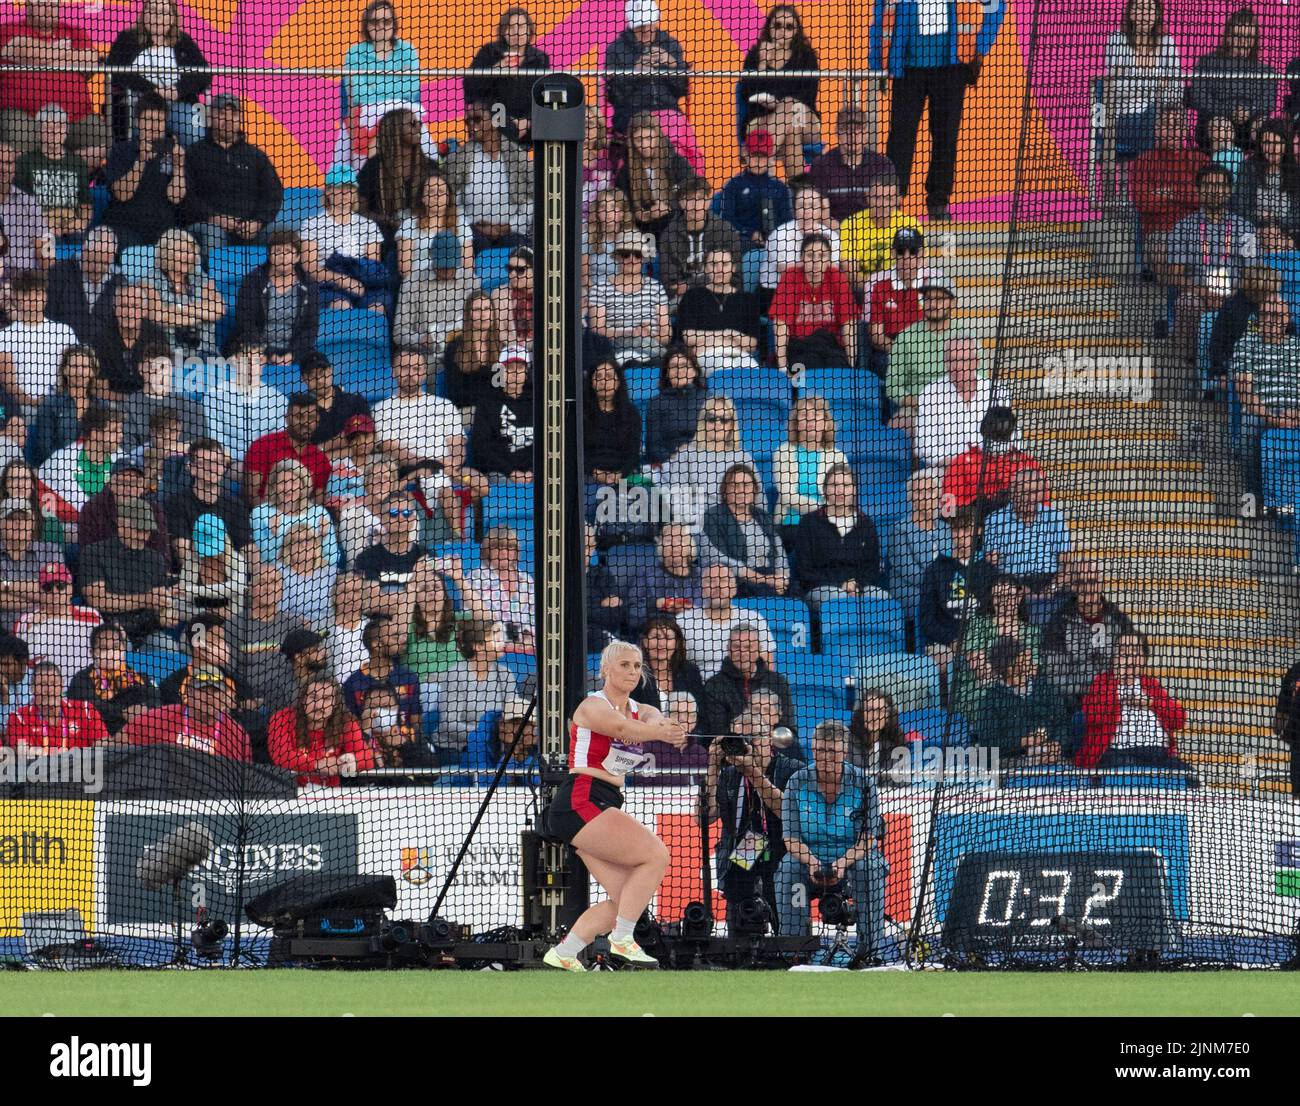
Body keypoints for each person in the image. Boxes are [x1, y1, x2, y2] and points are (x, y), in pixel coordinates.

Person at [539, 638, 688, 971]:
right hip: (581, 797)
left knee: (625, 900)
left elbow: (652, 720)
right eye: (624, 665)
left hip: (604, 800)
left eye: (637, 666)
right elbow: (620, 728)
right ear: (605, 669)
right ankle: (622, 939)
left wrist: (669, 730)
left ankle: (565, 953)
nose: (632, 672)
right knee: (656, 855)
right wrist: (661, 734)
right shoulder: (592, 706)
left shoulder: (641, 708)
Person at [869, 0, 1004, 222]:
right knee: (900, 136)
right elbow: (879, 14)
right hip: (906, 68)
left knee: (946, 136)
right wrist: (877, 64)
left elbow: (996, 6)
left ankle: (938, 201)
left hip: (951, 68)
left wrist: (980, 49)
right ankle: (892, 200)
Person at [776, 719, 888, 961]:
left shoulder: (864, 783)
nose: (825, 756)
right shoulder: (796, 782)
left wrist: (842, 862)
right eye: (819, 750)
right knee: (788, 868)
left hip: (851, 857)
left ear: (844, 751)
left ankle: (871, 951)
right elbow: (791, 839)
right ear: (812, 748)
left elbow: (868, 839)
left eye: (832, 751)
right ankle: (794, 950)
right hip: (809, 857)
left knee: (867, 867)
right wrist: (813, 861)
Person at [705, 708, 802, 933]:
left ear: (769, 739)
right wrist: (712, 766)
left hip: (785, 845)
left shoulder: (792, 770)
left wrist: (752, 772)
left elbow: (786, 811)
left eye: (754, 738)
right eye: (740, 739)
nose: (748, 744)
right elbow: (706, 817)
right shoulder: (730, 774)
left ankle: (787, 947)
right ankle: (741, 947)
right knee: (737, 883)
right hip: (749, 844)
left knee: (777, 891)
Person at [1167, 163, 1257, 370]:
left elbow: (1252, 270)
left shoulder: (1245, 228)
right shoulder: (1183, 227)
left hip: (1237, 295)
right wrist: (1205, 292)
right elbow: (1175, 275)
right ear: (1198, 189)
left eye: (1221, 186)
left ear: (1229, 191)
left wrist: (1233, 294)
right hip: (1197, 293)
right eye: (1208, 185)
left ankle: (1233, 363)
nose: (1215, 191)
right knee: (1188, 303)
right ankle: (1190, 365)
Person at [0, 0, 108, 158]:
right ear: (28, 5)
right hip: (24, 117)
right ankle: (29, 180)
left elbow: (90, 61)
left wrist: (46, 57)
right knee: (17, 133)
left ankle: (73, 176)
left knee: (102, 139)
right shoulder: (8, 30)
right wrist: (66, 56)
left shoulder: (75, 32)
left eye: (53, 5)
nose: (48, 9)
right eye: (42, 4)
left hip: (75, 118)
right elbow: (24, 50)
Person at [604, 0, 700, 174]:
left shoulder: (670, 45)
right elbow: (614, 96)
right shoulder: (615, 50)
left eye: (650, 24)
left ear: (656, 20)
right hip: (631, 112)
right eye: (641, 27)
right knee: (647, 131)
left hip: (668, 111)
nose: (647, 31)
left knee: (676, 126)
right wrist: (635, 73)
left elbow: (682, 90)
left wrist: (674, 67)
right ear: (631, 26)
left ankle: (684, 184)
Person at [182, 94, 284, 254]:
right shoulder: (195, 153)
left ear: (240, 118)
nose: (228, 119)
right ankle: (213, 279)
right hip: (209, 225)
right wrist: (213, 218)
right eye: (222, 113)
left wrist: (258, 222)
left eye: (233, 114)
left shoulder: (255, 155)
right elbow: (187, 197)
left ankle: (263, 280)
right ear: (210, 117)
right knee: (213, 233)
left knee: (282, 236)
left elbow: (273, 195)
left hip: (249, 228)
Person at [105, 0, 212, 147]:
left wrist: (177, 90)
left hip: (179, 104)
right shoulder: (127, 39)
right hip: (139, 106)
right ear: (144, 15)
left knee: (195, 135)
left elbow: (204, 74)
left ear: (173, 18)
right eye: (152, 10)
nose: (157, 16)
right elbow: (115, 71)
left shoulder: (183, 41)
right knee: (138, 143)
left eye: (164, 12)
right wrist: (153, 89)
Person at [336, 0, 428, 171]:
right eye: (374, 21)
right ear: (366, 25)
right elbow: (358, 95)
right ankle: (369, 179)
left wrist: (373, 85)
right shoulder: (354, 54)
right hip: (365, 115)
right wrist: (394, 85)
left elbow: (412, 87)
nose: (380, 26)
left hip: (404, 113)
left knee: (422, 137)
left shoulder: (408, 51)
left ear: (393, 24)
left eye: (386, 21)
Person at [918, 504, 997, 696]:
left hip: (982, 641)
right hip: (945, 643)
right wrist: (953, 641)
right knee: (943, 662)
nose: (961, 535)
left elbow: (994, 613)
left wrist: (975, 644)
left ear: (978, 531)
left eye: (966, 529)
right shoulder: (935, 570)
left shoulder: (988, 570)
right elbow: (927, 619)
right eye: (956, 529)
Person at [1078, 631, 1186, 770]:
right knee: (1128, 774)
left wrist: (1151, 703)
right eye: (1122, 651)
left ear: (1143, 658)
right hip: (1117, 754)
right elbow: (1095, 717)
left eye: (1134, 651)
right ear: (1114, 658)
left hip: (1158, 755)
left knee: (1188, 775)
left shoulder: (1150, 684)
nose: (1128, 657)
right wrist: (1116, 679)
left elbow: (1179, 719)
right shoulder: (1102, 682)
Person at [78, 496, 177, 645]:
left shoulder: (156, 559)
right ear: (121, 524)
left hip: (148, 632)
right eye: (138, 530)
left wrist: (168, 611)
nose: (143, 537)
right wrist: (145, 600)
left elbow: (162, 611)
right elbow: (97, 600)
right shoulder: (94, 553)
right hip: (110, 632)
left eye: (147, 531)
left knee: (167, 646)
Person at [737, 5, 820, 180]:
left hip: (804, 119)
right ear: (769, 28)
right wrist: (761, 64)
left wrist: (779, 104)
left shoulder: (806, 56)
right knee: (790, 134)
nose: (783, 31)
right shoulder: (755, 54)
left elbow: (808, 95)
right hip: (763, 120)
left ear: (796, 31)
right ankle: (798, 191)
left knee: (789, 106)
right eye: (778, 25)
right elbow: (745, 93)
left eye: (789, 27)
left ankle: (758, 165)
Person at [1100, 0, 1182, 176]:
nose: (1145, 13)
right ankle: (1144, 187)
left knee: (1164, 122)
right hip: (1121, 118)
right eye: (1139, 8)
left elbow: (1177, 88)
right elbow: (1115, 87)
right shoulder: (1117, 40)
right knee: (1154, 121)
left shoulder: (1167, 43)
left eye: (1150, 9)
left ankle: (1155, 185)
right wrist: (1158, 83)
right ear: (1131, 13)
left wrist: (1134, 82)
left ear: (1157, 14)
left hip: (1159, 118)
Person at [1130, 106, 1210, 285]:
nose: (1172, 129)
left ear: (1184, 129)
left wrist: (1169, 192)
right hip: (1161, 231)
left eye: (1178, 124)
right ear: (1157, 128)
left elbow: (1206, 198)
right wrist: (1187, 194)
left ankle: (1192, 291)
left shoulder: (1200, 160)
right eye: (1167, 124)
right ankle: (1185, 290)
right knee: (1162, 249)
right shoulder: (1142, 162)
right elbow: (1143, 202)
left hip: (1198, 231)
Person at [1041, 560, 1135, 710]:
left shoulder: (1118, 619)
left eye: (1092, 582)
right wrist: (1092, 690)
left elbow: (1135, 659)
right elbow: (1054, 674)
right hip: (1074, 705)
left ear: (1100, 584)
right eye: (1080, 582)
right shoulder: (1059, 623)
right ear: (1072, 586)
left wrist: (1108, 691)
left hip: (1114, 702)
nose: (1087, 588)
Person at [793, 461, 885, 612]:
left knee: (882, 599)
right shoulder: (808, 523)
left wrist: (856, 585)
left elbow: (872, 568)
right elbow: (805, 571)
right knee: (839, 600)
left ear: (854, 490)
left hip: (859, 588)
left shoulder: (866, 524)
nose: (840, 491)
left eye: (846, 485)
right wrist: (840, 585)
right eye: (834, 485)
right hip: (821, 589)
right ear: (825, 490)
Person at [655, 395, 755, 529]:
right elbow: (678, 503)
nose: (718, 424)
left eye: (724, 420)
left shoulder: (743, 457)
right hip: (702, 527)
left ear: (732, 425)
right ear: (703, 422)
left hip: (741, 525)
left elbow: (759, 501)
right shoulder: (686, 456)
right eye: (712, 419)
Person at [446, 100, 532, 254]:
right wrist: (471, 225)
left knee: (519, 247)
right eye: (468, 121)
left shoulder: (518, 157)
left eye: (477, 119)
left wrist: (510, 226)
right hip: (472, 232)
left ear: (495, 121)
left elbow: (530, 201)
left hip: (512, 231)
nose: (471, 125)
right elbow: (452, 202)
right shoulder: (458, 159)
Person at [101, 93, 186, 249]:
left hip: (162, 230)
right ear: (138, 122)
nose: (154, 126)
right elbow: (122, 194)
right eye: (148, 120)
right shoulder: (121, 151)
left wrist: (178, 166)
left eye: (159, 121)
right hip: (125, 227)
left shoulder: (172, 152)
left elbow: (175, 197)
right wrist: (140, 161)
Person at [949, 573, 1040, 720]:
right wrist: (1013, 671)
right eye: (998, 597)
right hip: (981, 692)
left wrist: (999, 669)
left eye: (1009, 596)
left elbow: (1031, 671)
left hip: (1021, 692)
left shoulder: (1032, 632)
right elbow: (980, 668)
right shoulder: (978, 625)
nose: (1004, 602)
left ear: (1019, 596)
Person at [300, 166, 389, 313]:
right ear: (328, 191)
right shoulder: (312, 224)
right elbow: (310, 267)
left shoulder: (369, 225)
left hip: (362, 281)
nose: (345, 193)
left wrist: (358, 282)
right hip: (327, 284)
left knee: (377, 309)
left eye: (350, 188)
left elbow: (373, 264)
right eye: (339, 187)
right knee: (342, 308)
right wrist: (342, 280)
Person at [1233, 296, 1300, 491]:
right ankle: (1255, 498)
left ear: (1287, 319)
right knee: (1248, 428)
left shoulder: (1297, 347)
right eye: (1266, 315)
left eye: (1277, 315)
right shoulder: (1245, 344)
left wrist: (1297, 414)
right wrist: (1271, 417)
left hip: (1295, 411)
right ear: (1258, 318)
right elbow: (1245, 391)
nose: (1271, 320)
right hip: (1261, 413)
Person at [885, 275, 970, 428]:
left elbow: (981, 376)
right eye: (929, 299)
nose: (933, 304)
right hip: (918, 408)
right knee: (898, 423)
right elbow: (892, 386)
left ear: (953, 302)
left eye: (940, 299)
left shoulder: (967, 336)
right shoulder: (906, 337)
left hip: (959, 406)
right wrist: (919, 404)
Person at [973, 637, 1070, 764]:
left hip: (1050, 759)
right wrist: (1022, 741)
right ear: (1008, 665)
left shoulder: (1045, 688)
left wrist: (1058, 745)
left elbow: (1063, 723)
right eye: (1021, 653)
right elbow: (988, 743)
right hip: (1011, 763)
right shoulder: (991, 699)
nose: (1028, 654)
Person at [1189, 8, 1277, 149]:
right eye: (1239, 36)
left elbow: (1268, 102)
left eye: (1249, 37)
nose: (1244, 42)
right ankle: (1222, 170)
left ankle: (1261, 170)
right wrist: (1230, 111)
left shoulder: (1266, 71)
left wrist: (1248, 111)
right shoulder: (1207, 62)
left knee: (1265, 130)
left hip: (1251, 122)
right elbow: (1199, 97)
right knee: (1222, 128)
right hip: (1215, 121)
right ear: (1228, 37)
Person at [914, 336, 1008, 467]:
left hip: (990, 468)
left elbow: (1010, 436)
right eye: (952, 360)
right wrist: (957, 465)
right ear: (946, 363)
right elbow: (923, 445)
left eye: (963, 360)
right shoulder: (930, 394)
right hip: (947, 470)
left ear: (976, 362)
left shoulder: (997, 391)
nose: (957, 366)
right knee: (922, 484)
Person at [120, 668, 252, 761]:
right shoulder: (158, 719)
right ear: (188, 692)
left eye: (215, 691)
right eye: (203, 690)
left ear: (224, 696)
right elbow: (115, 744)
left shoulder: (237, 735)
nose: (209, 697)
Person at [269, 674, 378, 786]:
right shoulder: (282, 718)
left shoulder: (346, 722)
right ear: (303, 699)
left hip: (330, 797)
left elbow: (367, 758)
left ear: (336, 703)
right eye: (313, 697)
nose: (319, 705)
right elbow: (281, 756)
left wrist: (352, 760)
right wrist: (317, 764)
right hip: (289, 794)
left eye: (326, 699)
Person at [229, 230, 319, 365]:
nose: (283, 256)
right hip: (256, 348)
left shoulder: (310, 285)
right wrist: (267, 352)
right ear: (270, 255)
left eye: (288, 251)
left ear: (297, 257)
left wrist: (292, 354)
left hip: (295, 351)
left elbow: (311, 328)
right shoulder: (253, 281)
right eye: (277, 251)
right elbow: (246, 322)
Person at [770, 233, 857, 372]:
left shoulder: (838, 278)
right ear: (802, 258)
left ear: (829, 259)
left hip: (830, 347)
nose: (816, 262)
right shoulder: (790, 277)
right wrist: (782, 367)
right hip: (799, 347)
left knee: (838, 369)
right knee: (811, 364)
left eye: (822, 256)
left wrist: (852, 365)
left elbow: (849, 324)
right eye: (810, 256)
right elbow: (780, 325)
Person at [701, 463, 790, 597]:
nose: (741, 490)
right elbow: (717, 558)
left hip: (772, 579)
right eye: (735, 486)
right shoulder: (712, 517)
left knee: (796, 600)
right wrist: (765, 580)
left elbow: (780, 553)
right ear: (725, 491)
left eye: (746, 485)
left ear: (754, 490)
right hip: (737, 583)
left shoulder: (763, 516)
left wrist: (782, 579)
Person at [865, 226, 944, 377]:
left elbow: (942, 326)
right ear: (893, 253)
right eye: (901, 251)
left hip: (928, 347)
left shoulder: (936, 280)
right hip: (891, 348)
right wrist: (903, 351)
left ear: (921, 254)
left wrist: (919, 353)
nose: (907, 258)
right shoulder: (876, 283)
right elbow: (876, 336)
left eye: (913, 251)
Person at [464, 7, 550, 145]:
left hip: (526, 129)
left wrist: (527, 122)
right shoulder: (489, 52)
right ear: (503, 31)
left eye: (521, 26)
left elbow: (543, 96)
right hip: (493, 128)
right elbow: (470, 86)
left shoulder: (540, 59)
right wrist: (495, 69)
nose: (516, 32)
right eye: (511, 27)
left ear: (529, 31)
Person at [433, 618, 518, 756]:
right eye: (496, 638)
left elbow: (514, 716)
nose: (503, 642)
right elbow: (448, 725)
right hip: (455, 749)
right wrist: (484, 735)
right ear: (478, 647)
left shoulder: (505, 674)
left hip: (492, 748)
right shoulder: (456, 675)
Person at [357, 108, 437, 254]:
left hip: (424, 232)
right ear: (395, 130)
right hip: (385, 235)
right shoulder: (374, 167)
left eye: (419, 123)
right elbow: (359, 209)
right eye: (412, 124)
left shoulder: (431, 166)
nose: (419, 127)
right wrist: (388, 221)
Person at [588, 230, 671, 367]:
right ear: (618, 257)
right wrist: (629, 333)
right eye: (626, 254)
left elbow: (666, 334)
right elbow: (597, 330)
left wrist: (649, 334)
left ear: (643, 259)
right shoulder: (600, 288)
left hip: (652, 350)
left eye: (637, 255)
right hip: (616, 350)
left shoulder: (656, 287)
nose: (632, 260)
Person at [163, 438, 253, 564]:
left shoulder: (235, 505)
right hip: (192, 577)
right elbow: (182, 551)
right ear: (191, 468)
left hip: (231, 576)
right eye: (203, 463)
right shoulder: (176, 503)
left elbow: (247, 548)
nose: (212, 468)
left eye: (217, 462)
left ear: (224, 467)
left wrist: (257, 571)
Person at [677, 564, 775, 679]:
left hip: (745, 690)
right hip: (701, 692)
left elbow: (767, 667)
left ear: (733, 590)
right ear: (702, 590)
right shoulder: (683, 622)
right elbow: (678, 668)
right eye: (710, 581)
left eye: (723, 580)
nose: (717, 586)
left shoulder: (754, 620)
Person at [393, 233, 479, 363]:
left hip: (464, 352)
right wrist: (420, 339)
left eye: (450, 264)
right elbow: (399, 332)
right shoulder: (411, 284)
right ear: (430, 254)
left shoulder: (471, 281)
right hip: (427, 356)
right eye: (442, 264)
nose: (446, 269)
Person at [675, 248, 762, 374]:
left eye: (725, 264)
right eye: (714, 264)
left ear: (733, 268)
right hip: (707, 354)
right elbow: (688, 337)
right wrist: (725, 334)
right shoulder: (692, 296)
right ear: (705, 268)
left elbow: (752, 344)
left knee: (753, 371)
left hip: (740, 355)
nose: (719, 269)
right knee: (725, 368)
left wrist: (731, 334)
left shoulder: (747, 299)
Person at [0, 268, 77, 411]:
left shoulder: (64, 332)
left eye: (37, 293)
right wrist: (35, 403)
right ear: (16, 298)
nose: (32, 299)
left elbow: (76, 372)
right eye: (26, 293)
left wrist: (56, 401)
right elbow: (8, 383)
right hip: (24, 409)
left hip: (62, 407)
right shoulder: (5, 336)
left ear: (45, 297)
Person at [700, 624, 796, 737]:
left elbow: (787, 728)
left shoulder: (778, 682)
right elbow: (716, 730)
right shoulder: (714, 685)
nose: (742, 652)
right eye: (736, 647)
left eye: (748, 647)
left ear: (759, 649)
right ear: (728, 649)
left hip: (774, 747)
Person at [805, 106, 897, 225]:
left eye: (858, 129)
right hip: (834, 235)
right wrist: (843, 234)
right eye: (846, 129)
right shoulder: (821, 165)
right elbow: (821, 213)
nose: (852, 135)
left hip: (873, 232)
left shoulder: (883, 165)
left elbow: (890, 207)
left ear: (866, 133)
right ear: (837, 132)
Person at [658, 176, 744, 302]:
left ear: (709, 201)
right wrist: (711, 279)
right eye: (689, 199)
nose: (695, 205)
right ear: (681, 203)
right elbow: (671, 285)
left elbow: (735, 276)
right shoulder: (669, 235)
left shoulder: (726, 231)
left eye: (700, 198)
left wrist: (689, 285)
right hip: (685, 301)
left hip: (721, 296)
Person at [201, 340, 288, 461]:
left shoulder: (280, 400)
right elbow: (216, 441)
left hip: (267, 464)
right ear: (234, 361)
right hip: (226, 465)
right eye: (246, 359)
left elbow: (280, 442)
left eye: (258, 360)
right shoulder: (213, 397)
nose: (252, 364)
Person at [67, 622, 159, 736]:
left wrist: (144, 709)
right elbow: (91, 707)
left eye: (115, 647)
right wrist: (122, 713)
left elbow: (157, 700)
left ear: (124, 647)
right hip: (105, 741)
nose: (111, 653)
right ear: (92, 653)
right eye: (104, 648)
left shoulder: (140, 677)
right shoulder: (81, 680)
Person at [16, 105, 91, 240]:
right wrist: (41, 222)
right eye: (48, 127)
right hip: (39, 229)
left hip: (72, 226)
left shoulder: (78, 163)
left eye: (59, 126)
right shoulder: (24, 162)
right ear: (39, 132)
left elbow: (85, 204)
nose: (54, 132)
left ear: (66, 130)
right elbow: (19, 205)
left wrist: (82, 222)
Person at [612, 112, 694, 238]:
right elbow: (621, 205)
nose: (645, 145)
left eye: (649, 138)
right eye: (639, 140)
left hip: (678, 232)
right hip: (644, 235)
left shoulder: (677, 163)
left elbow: (693, 194)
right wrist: (636, 214)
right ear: (632, 142)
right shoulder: (625, 173)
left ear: (657, 137)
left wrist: (669, 207)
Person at [13, 561, 99, 679]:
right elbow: (21, 667)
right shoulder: (25, 621)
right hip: (43, 692)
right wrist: (32, 628)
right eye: (48, 587)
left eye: (60, 586)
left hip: (85, 690)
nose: (54, 592)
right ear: (40, 592)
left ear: (70, 589)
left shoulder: (91, 616)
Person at [39, 404, 125, 521]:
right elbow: (44, 500)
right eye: (115, 431)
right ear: (95, 433)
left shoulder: (123, 461)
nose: (121, 435)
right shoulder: (61, 461)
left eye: (120, 430)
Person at [149, 228, 224, 359]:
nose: (187, 256)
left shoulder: (202, 278)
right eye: (181, 251)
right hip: (168, 355)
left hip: (206, 353)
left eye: (190, 251)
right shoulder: (150, 281)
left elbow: (219, 310)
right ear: (166, 254)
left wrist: (179, 310)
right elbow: (159, 317)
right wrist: (201, 315)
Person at [244, 392, 331, 503]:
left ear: (318, 420)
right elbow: (251, 495)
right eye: (299, 417)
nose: (305, 422)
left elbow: (319, 504)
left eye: (311, 417)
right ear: (287, 418)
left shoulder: (321, 460)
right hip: (264, 517)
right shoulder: (262, 446)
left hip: (304, 519)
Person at [774, 395, 847, 527]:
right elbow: (787, 496)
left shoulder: (838, 457)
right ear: (796, 424)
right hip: (793, 524)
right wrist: (822, 511)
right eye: (804, 414)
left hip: (829, 523)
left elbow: (843, 494)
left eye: (816, 413)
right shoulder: (783, 452)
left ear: (826, 423)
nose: (810, 418)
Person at [342, 614, 422, 733]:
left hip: (405, 744)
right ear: (377, 645)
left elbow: (416, 723)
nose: (404, 639)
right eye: (396, 636)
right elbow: (352, 728)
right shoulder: (352, 685)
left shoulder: (409, 678)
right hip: (368, 747)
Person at [840, 172, 919, 292]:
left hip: (902, 290)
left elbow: (919, 265)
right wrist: (879, 290)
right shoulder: (850, 224)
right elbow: (851, 272)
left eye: (889, 199)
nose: (882, 204)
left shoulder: (911, 225)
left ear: (898, 200)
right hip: (865, 292)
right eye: (877, 197)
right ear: (867, 197)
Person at [77, 456, 169, 557]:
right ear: (111, 484)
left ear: (142, 487)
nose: (128, 489)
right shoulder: (92, 509)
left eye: (135, 483)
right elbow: (87, 555)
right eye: (122, 482)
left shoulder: (154, 510)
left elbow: (163, 555)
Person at [759, 185, 840, 301]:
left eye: (812, 206)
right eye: (801, 206)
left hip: (817, 291)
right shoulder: (780, 234)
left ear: (821, 210)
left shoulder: (831, 236)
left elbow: (832, 271)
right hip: (777, 291)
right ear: (795, 209)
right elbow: (786, 273)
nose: (806, 211)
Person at [25, 344, 99, 470]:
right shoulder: (50, 404)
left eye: (85, 367)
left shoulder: (102, 407)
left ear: (92, 372)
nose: (80, 372)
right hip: (58, 473)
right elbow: (45, 449)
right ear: (64, 370)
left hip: (93, 473)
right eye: (74, 366)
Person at [583, 359, 642, 516]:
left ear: (618, 382)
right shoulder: (581, 414)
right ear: (591, 383)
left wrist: (619, 474)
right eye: (598, 376)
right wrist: (596, 473)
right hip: (588, 478)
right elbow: (577, 453)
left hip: (624, 477)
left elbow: (633, 453)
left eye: (609, 376)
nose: (603, 381)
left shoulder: (631, 414)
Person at [45, 227, 123, 344]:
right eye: (94, 261)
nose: (97, 269)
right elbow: (48, 318)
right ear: (84, 251)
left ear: (112, 256)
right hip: (63, 348)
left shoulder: (119, 283)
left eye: (104, 263)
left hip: (104, 354)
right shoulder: (58, 273)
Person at [468, 344, 534, 482]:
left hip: (535, 472)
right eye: (509, 368)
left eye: (520, 368)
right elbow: (481, 448)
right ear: (500, 371)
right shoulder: (487, 402)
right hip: (500, 473)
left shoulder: (538, 401)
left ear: (527, 371)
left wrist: (533, 470)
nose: (515, 373)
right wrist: (510, 472)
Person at [625, 522, 704, 634]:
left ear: (690, 547)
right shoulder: (646, 574)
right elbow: (632, 617)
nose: (674, 545)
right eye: (668, 541)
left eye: (680, 540)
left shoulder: (703, 575)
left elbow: (712, 612)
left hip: (697, 635)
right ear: (661, 547)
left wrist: (690, 611)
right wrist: (656, 605)